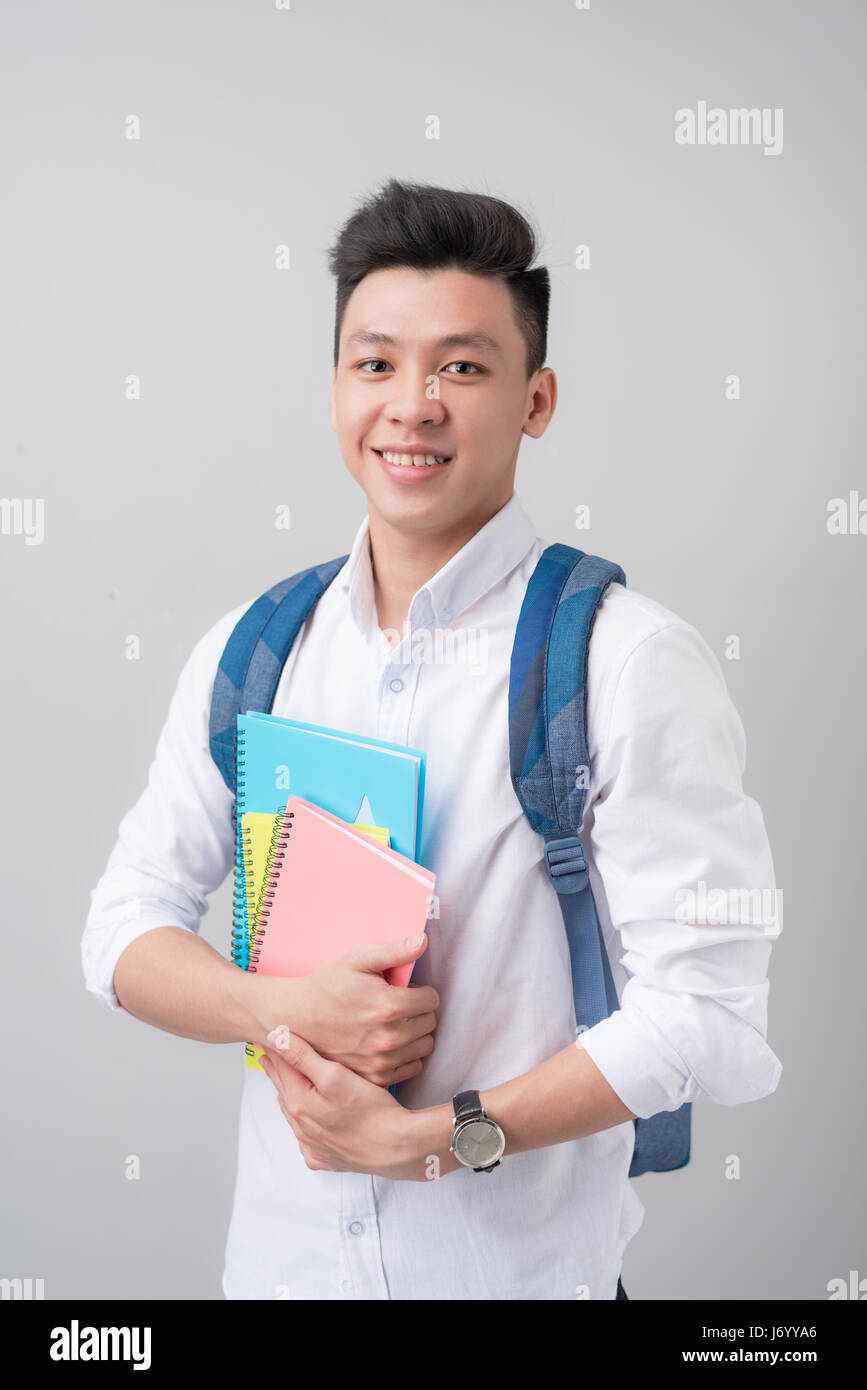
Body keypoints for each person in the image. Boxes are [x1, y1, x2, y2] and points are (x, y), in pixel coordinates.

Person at [83, 178, 782, 1301]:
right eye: (376, 364)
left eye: (462, 366)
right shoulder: (253, 651)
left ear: (537, 398)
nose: (412, 404)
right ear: (334, 392)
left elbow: (702, 1018)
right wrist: (277, 1007)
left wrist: (437, 1139)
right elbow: (120, 925)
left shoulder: (623, 661)